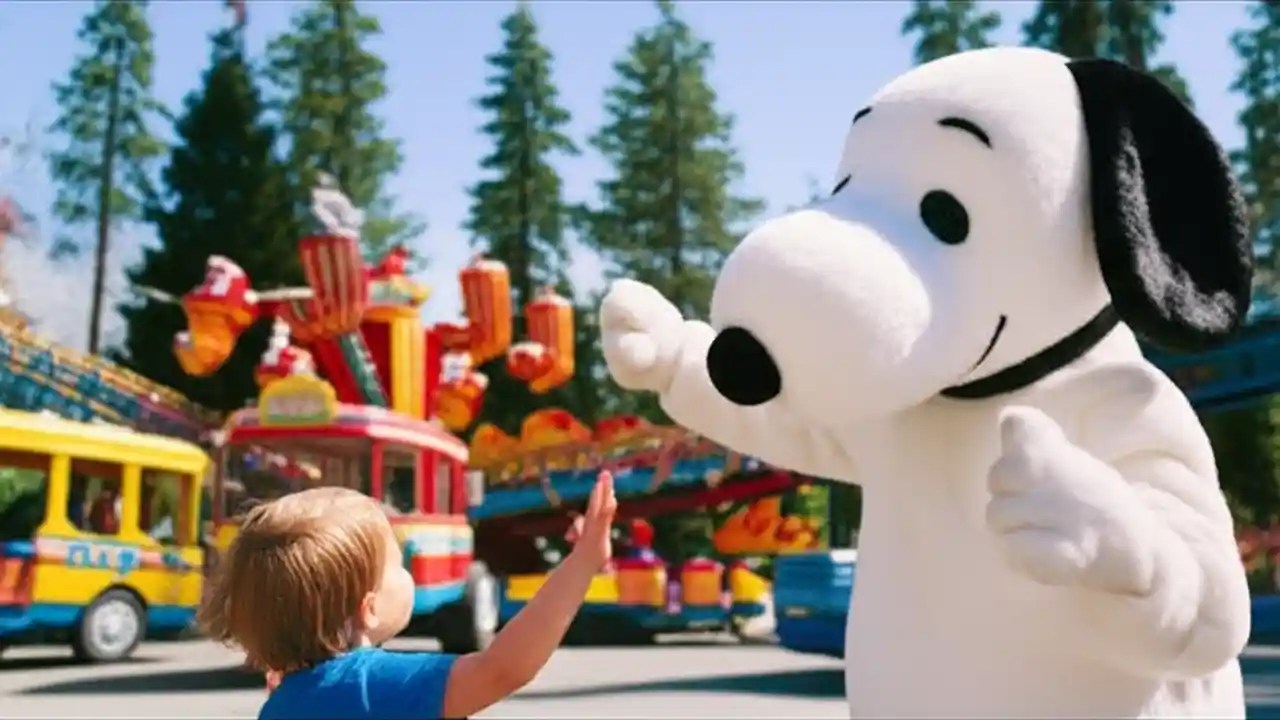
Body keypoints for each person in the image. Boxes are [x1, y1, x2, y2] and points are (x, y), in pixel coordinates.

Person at [199, 470, 618, 720]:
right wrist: (581, 563)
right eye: (399, 564)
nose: (407, 573)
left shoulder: (282, 705)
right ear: (368, 608)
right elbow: (503, 668)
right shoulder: (375, 684)